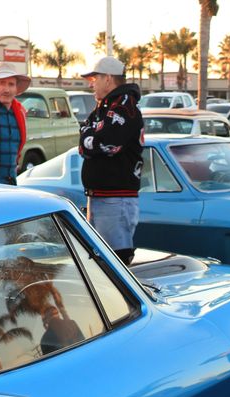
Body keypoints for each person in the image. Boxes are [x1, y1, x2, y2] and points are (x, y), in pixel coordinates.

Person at [79, 56, 144, 265]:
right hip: (99, 197)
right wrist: (91, 140)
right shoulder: (104, 107)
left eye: (94, 78)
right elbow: (84, 139)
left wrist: (91, 140)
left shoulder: (125, 106)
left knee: (114, 263)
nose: (92, 83)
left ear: (108, 79)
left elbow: (108, 143)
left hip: (116, 199)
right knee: (99, 262)